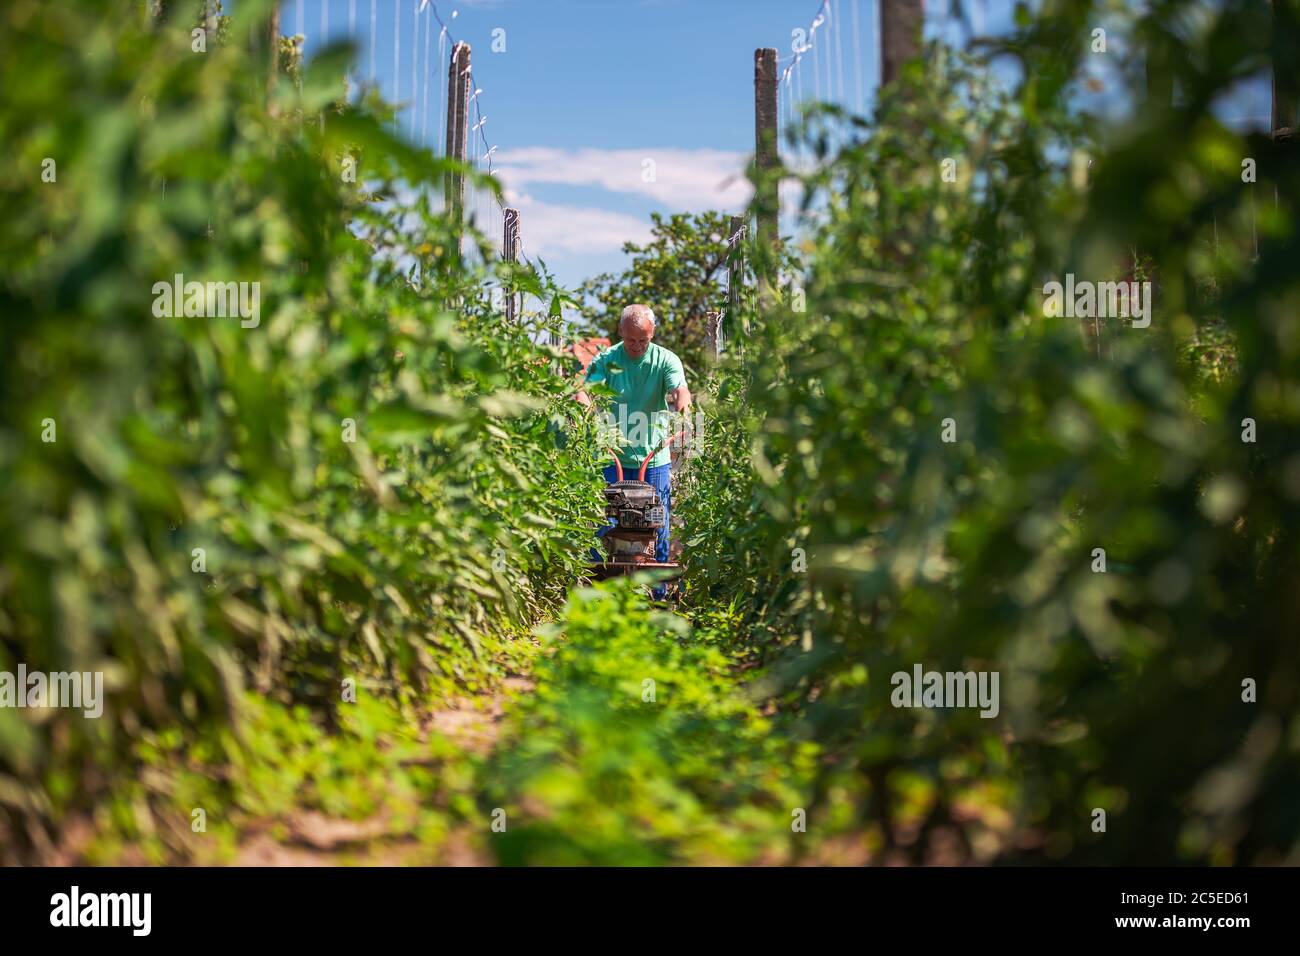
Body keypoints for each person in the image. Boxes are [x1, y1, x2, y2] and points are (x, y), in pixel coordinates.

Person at [577, 305, 691, 596]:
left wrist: (683, 405)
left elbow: (679, 388)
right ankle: (597, 588)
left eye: (644, 340)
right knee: (604, 522)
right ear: (621, 334)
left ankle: (657, 592)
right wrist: (585, 405)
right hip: (612, 453)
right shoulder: (607, 360)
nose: (638, 346)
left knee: (657, 523)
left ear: (652, 334)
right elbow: (585, 389)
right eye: (631, 340)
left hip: (653, 456)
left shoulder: (665, 359)